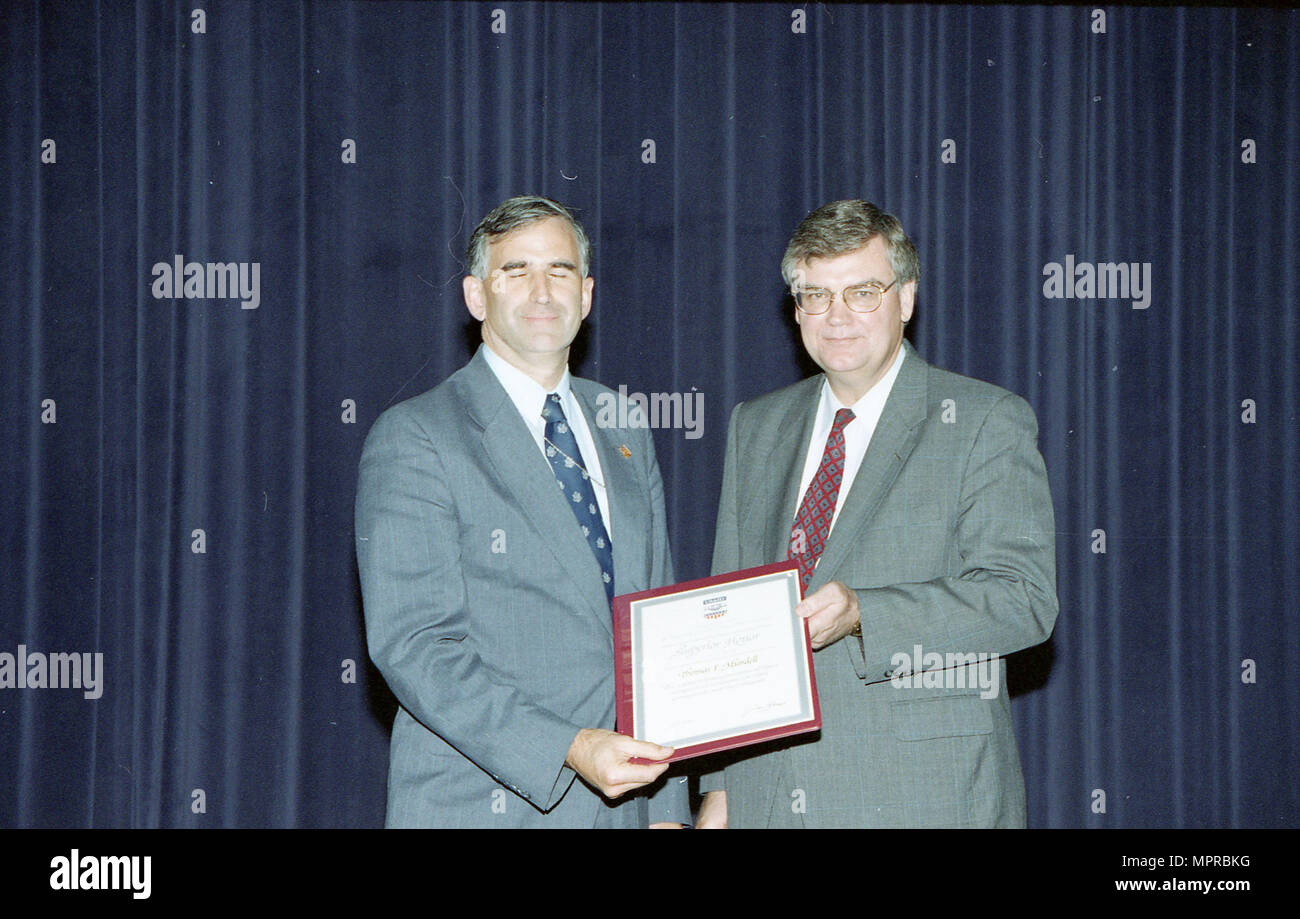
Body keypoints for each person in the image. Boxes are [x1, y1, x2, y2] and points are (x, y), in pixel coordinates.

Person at [696, 200, 1058, 828]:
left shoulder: (983, 419)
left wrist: (866, 613)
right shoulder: (754, 426)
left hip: (919, 797)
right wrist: (721, 791)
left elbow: (1024, 600)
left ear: (906, 298)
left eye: (862, 292)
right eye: (815, 295)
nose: (836, 318)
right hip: (768, 799)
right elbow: (732, 614)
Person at [356, 195, 688, 827]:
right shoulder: (416, 435)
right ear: (476, 296)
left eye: (559, 271)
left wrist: (669, 807)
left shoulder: (625, 424)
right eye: (516, 271)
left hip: (627, 808)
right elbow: (417, 645)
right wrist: (569, 746)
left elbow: (657, 625)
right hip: (485, 804)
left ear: (586, 296)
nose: (542, 291)